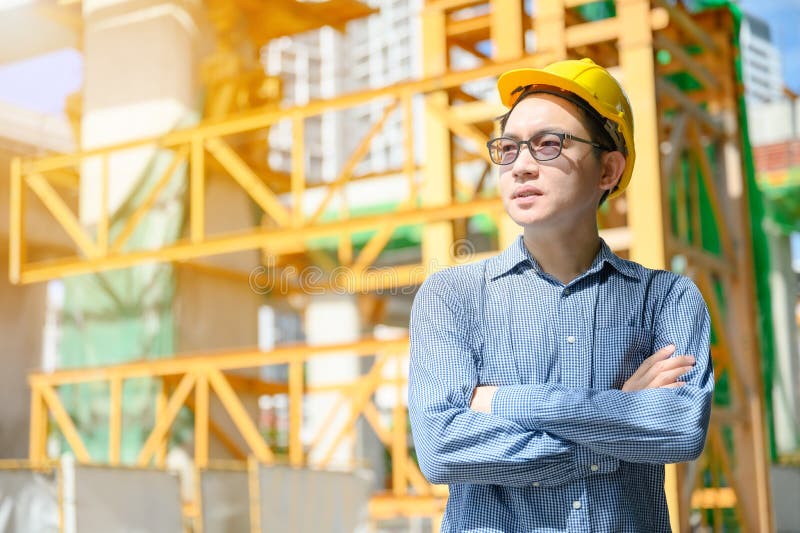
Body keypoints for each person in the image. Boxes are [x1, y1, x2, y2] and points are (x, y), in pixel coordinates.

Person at [408, 58, 714, 532]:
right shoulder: (453, 297)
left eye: (549, 144)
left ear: (608, 169)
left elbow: (678, 428)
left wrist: (505, 402)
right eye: (508, 149)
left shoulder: (667, 299)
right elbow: (441, 447)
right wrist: (620, 406)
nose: (522, 166)